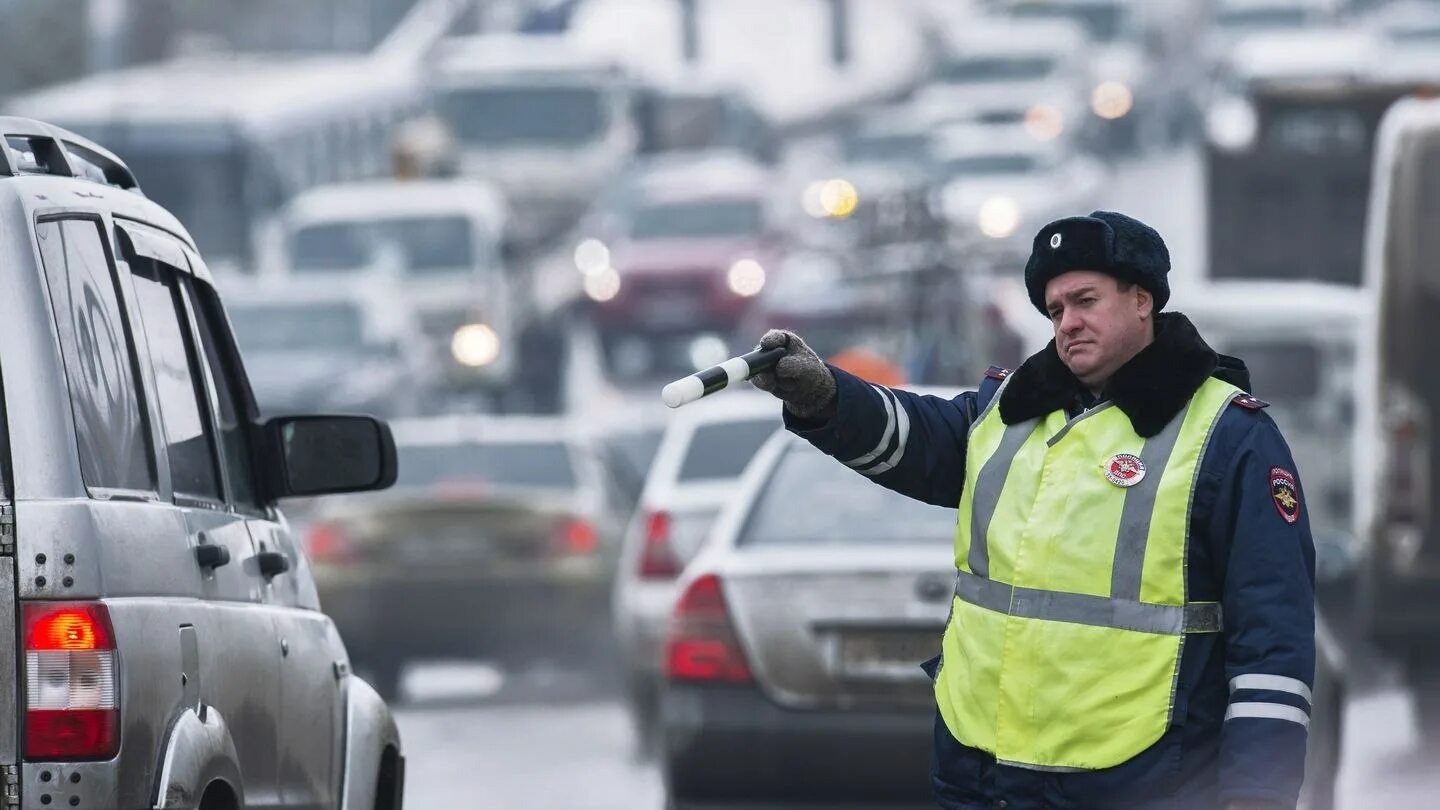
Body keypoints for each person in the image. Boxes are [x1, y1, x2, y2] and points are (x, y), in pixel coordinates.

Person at [750, 211, 1315, 810]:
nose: (1068, 323)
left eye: (1085, 300)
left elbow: (1273, 645)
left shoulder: (1230, 436)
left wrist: (1258, 795)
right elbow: (912, 436)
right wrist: (825, 396)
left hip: (1140, 781)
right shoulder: (1010, 411)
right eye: (1055, 311)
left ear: (1143, 300)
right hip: (984, 775)